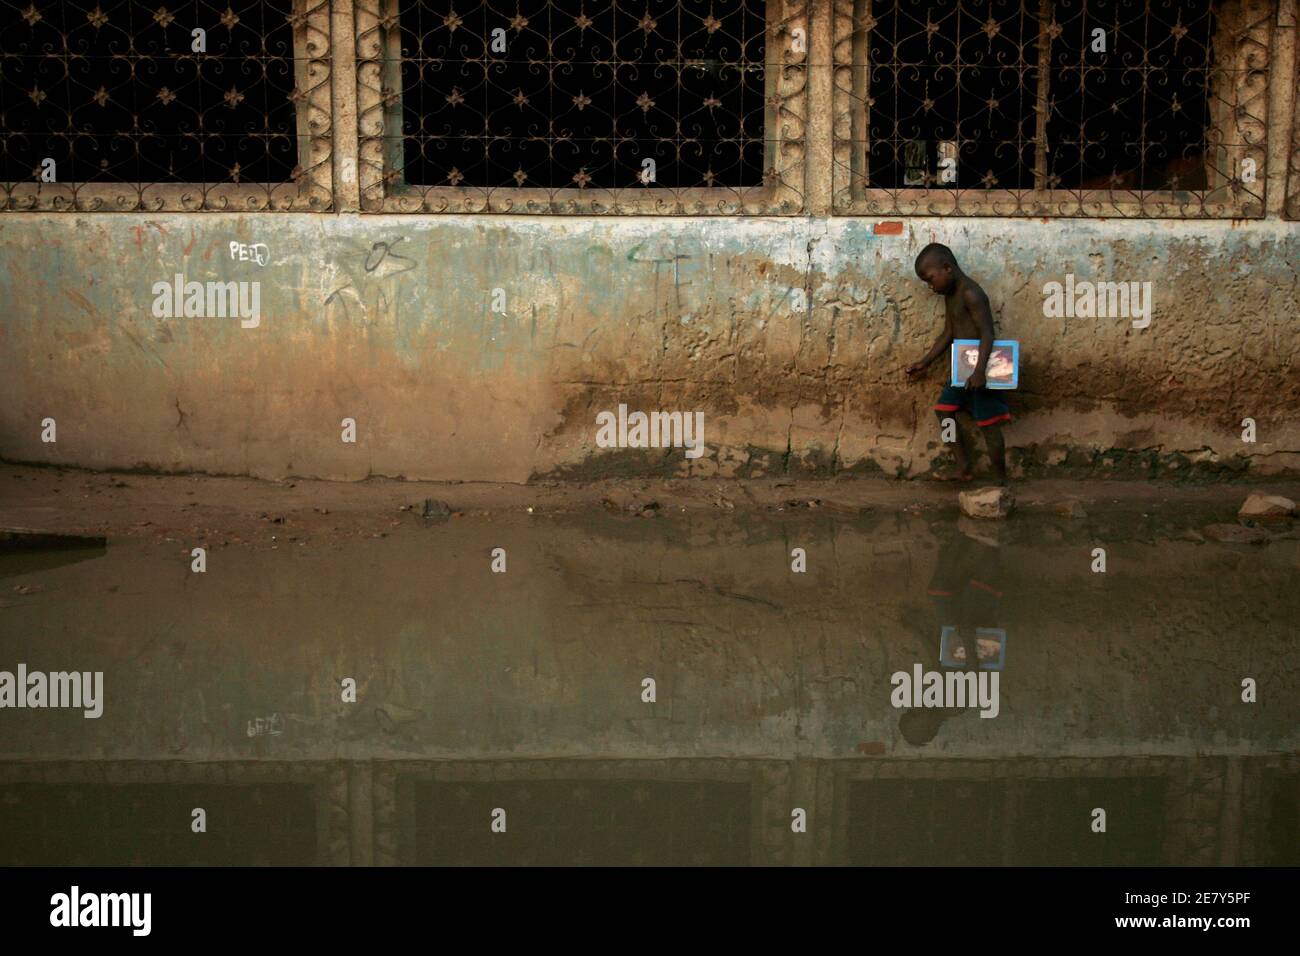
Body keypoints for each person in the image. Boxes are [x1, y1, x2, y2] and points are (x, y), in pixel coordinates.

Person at [906, 243, 1011, 484]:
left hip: (979, 371)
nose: (931, 287)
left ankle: (1000, 480)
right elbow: (949, 333)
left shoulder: (971, 293)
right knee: (944, 412)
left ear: (947, 268)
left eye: (931, 280)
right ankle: (964, 467)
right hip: (961, 369)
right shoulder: (950, 295)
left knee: (989, 425)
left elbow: (987, 334)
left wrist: (979, 372)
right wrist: (925, 362)